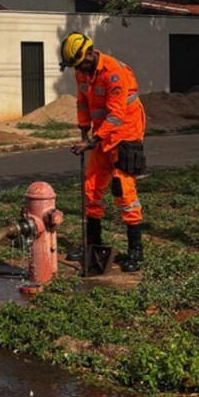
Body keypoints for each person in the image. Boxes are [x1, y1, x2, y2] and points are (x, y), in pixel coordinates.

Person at [60, 32, 147, 273]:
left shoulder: (113, 73)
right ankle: (94, 245)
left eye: (82, 64)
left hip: (125, 135)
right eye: (77, 67)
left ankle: (135, 251)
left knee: (124, 192)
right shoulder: (81, 72)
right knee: (91, 188)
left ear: (90, 53)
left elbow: (116, 115)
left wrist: (90, 142)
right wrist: (83, 132)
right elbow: (82, 102)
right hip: (100, 136)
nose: (81, 70)